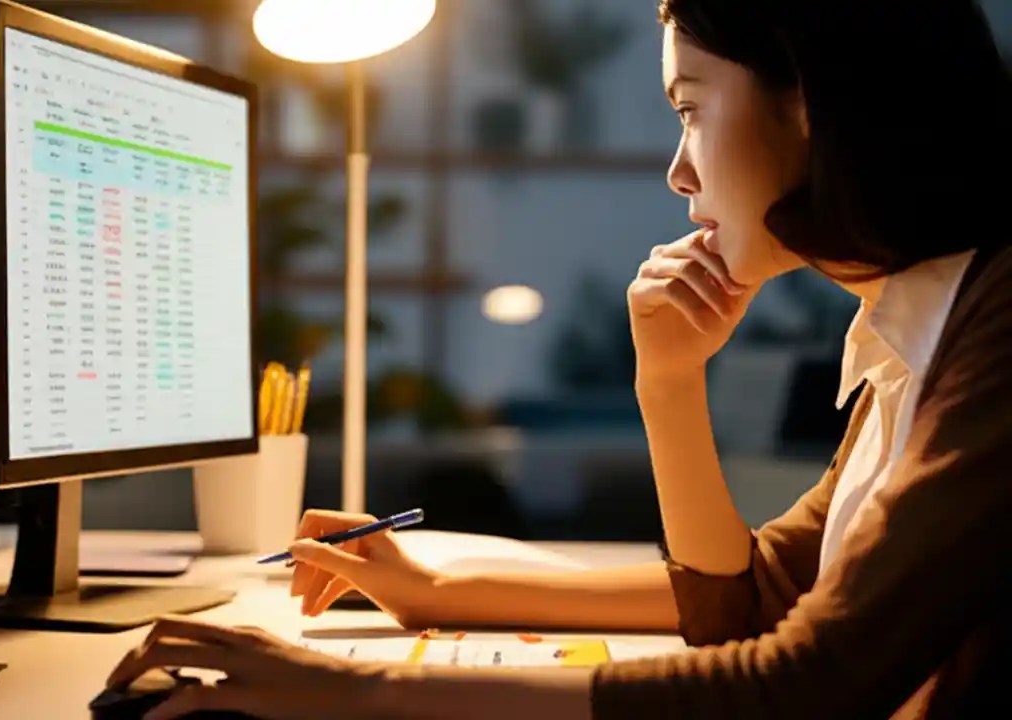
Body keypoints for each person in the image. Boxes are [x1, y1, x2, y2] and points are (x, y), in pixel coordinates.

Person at [109, 1, 1012, 717]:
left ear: (810, 98)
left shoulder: (995, 335)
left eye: (691, 109)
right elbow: (760, 598)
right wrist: (442, 590)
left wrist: (361, 694)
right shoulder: (921, 337)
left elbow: (801, 685)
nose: (678, 172)